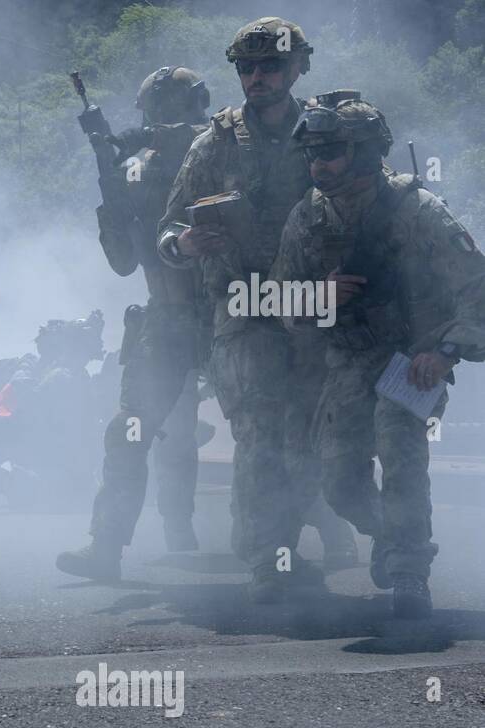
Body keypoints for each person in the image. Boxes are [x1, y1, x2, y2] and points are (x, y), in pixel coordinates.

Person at [153, 17, 354, 603]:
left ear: (299, 68)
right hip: (243, 304)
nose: (257, 77)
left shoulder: (327, 132)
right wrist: (184, 245)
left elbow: (370, 203)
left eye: (271, 66)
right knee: (260, 432)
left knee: (309, 434)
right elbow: (170, 226)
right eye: (247, 67)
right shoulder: (214, 142)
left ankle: (307, 536)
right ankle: (269, 561)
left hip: (313, 307)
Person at [273, 95, 485, 617]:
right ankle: (392, 538)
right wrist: (317, 297)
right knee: (341, 482)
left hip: (411, 360)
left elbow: (476, 286)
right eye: (312, 153)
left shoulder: (416, 209)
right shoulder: (308, 218)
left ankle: (411, 570)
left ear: (365, 151)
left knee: (401, 456)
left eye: (332, 151)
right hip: (347, 363)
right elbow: (277, 298)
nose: (318, 163)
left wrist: (445, 349)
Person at [57, 67, 211, 581]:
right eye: (158, 111)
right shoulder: (135, 168)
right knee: (129, 430)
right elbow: (124, 260)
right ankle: (106, 547)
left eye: (176, 109)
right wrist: (111, 181)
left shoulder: (223, 152)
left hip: (232, 313)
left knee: (273, 429)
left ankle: (308, 539)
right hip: (168, 317)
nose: (166, 122)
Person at [0, 313, 109, 510]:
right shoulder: (60, 378)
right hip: (47, 453)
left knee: (85, 494)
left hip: (62, 453)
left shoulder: (76, 375)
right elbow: (44, 426)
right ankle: (1, 479)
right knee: (49, 495)